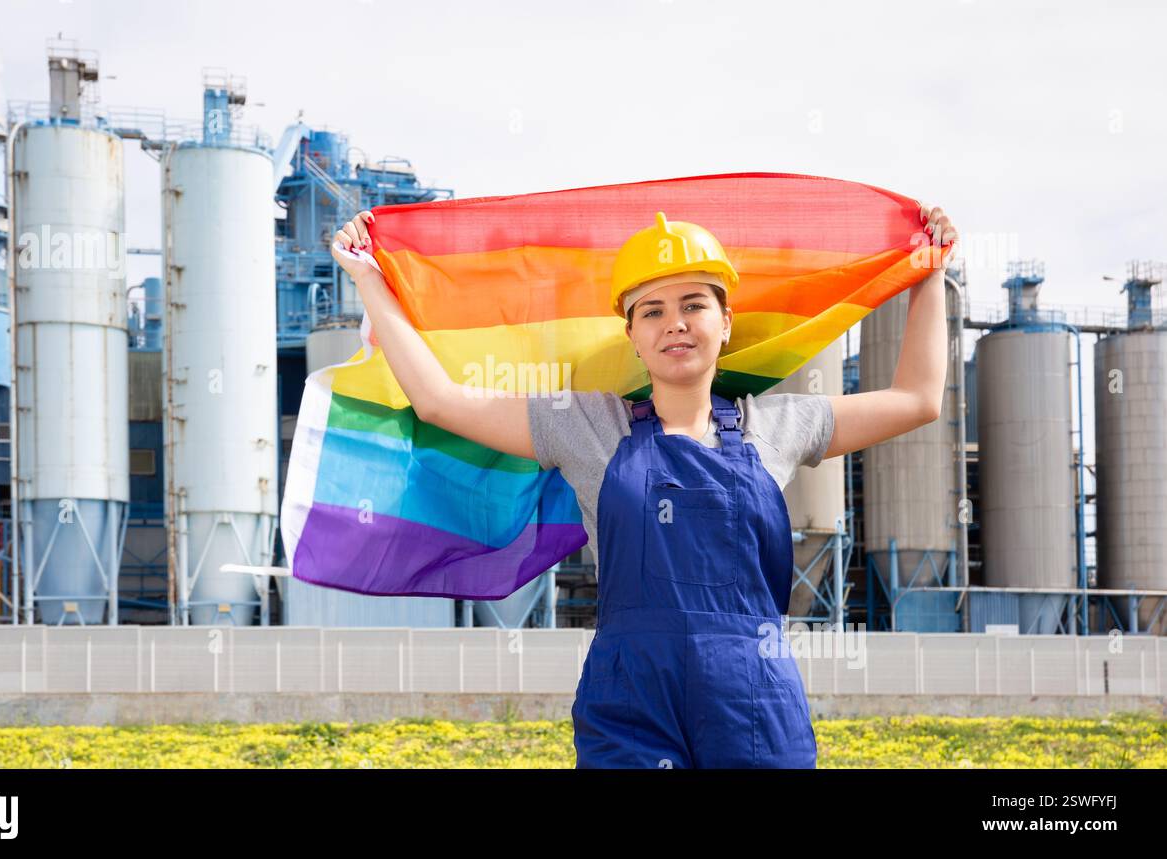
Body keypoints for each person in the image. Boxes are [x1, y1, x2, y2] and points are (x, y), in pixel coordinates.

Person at [330, 202, 956, 768]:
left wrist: (929, 276)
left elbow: (918, 398)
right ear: (631, 334)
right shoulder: (586, 426)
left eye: (693, 305)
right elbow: (440, 401)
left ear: (726, 321)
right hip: (631, 701)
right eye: (651, 311)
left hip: (755, 704)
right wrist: (368, 279)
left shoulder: (780, 426)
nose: (674, 324)